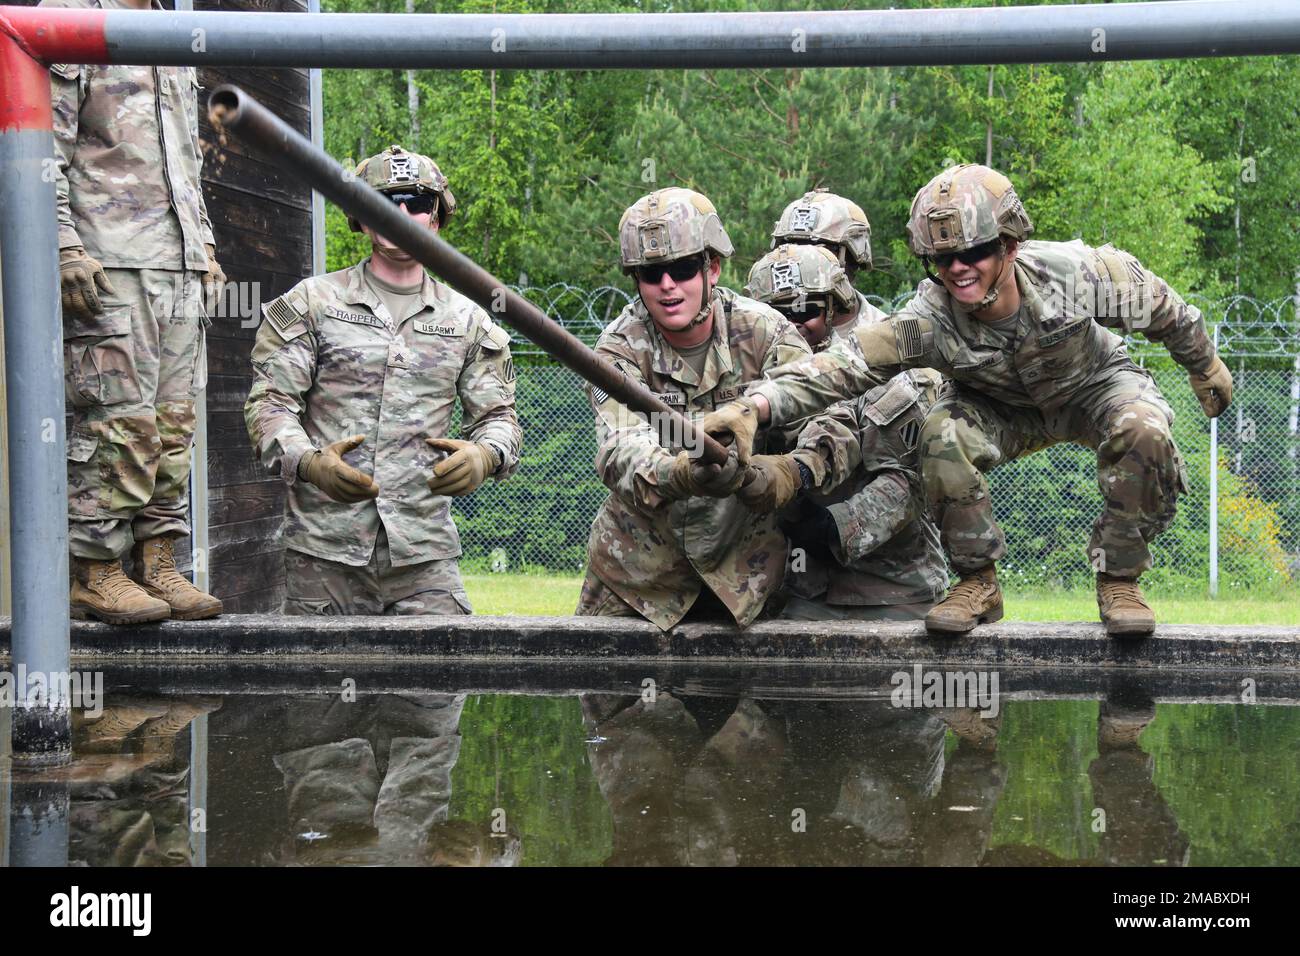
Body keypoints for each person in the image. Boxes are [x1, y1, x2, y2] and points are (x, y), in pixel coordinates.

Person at [704, 164, 1233, 637]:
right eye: (943, 258)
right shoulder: (928, 319)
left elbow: (1162, 307)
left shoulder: (1076, 273)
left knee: (1144, 427)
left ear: (1009, 246)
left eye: (974, 251)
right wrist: (755, 406)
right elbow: (842, 367)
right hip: (997, 407)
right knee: (942, 433)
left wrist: (1204, 365)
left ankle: (1119, 578)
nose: (958, 268)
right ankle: (978, 582)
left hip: (1093, 386)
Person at [244, 146, 521, 615]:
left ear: (436, 216)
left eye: (417, 201)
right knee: (318, 688)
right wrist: (310, 462)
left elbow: (500, 418)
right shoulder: (313, 303)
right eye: (386, 201)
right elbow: (269, 405)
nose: (403, 213)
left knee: (434, 686)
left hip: (424, 559)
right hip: (323, 558)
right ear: (362, 216)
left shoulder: (468, 320)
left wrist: (485, 455)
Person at [47, 0, 225, 623]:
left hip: (177, 263)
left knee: (173, 426)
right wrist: (64, 243)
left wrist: (202, 248)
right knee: (114, 422)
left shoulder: (170, 27)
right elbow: (42, 148)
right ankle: (96, 572)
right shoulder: (68, 16)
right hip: (109, 258)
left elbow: (187, 160)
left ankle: (159, 564)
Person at [576, 188, 811, 630]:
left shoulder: (766, 334)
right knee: (601, 689)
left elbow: (816, 423)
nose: (667, 285)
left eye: (683, 269)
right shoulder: (619, 348)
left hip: (745, 579)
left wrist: (780, 472)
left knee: (760, 697)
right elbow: (619, 450)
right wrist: (681, 472)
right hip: (637, 582)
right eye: (651, 273)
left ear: (713, 268)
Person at [743, 245, 948, 621]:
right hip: (803, 586)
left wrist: (834, 528)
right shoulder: (752, 381)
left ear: (832, 309)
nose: (793, 323)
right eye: (776, 313)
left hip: (890, 588)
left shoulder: (883, 371)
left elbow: (910, 481)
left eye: (806, 310)